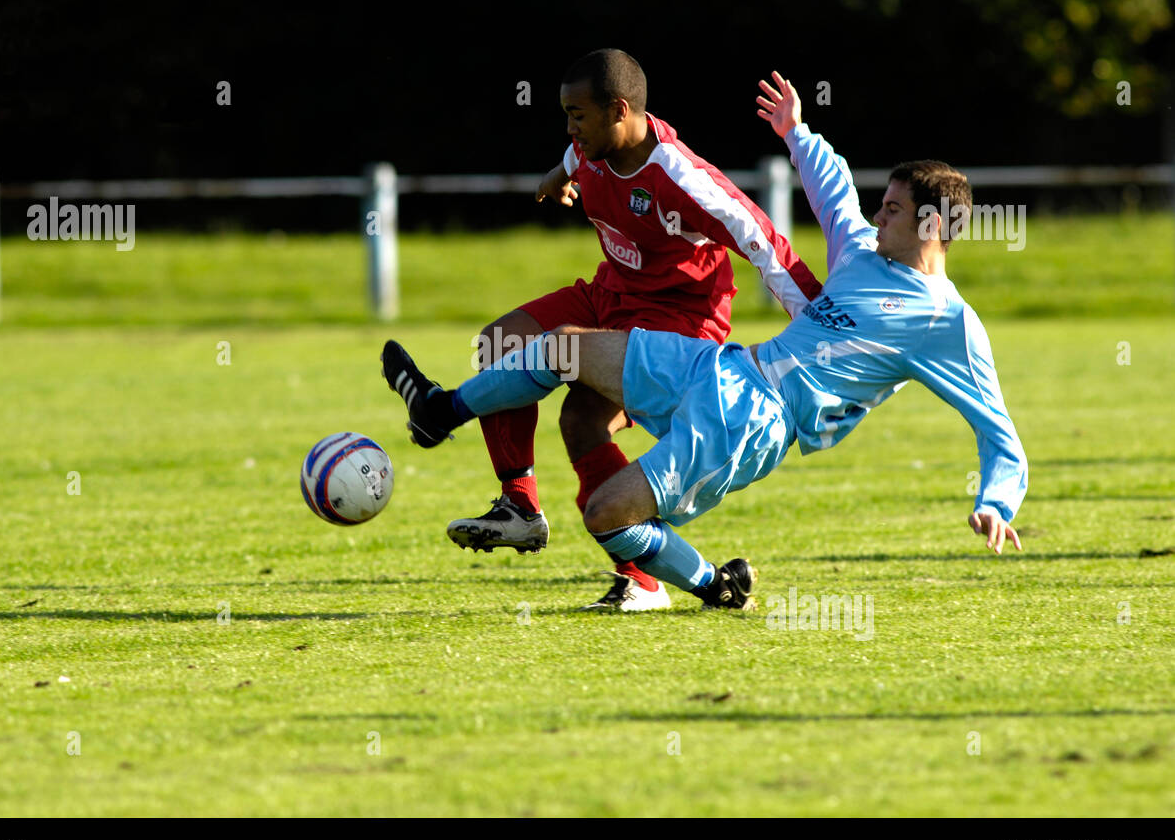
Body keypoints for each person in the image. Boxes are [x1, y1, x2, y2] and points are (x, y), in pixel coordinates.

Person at [382, 71, 1028, 609]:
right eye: (881, 203)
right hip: (721, 366)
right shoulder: (863, 250)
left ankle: (710, 584)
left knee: (607, 515)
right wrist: (796, 130)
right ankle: (441, 411)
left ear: (932, 225)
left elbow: (998, 431)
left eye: (890, 208)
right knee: (563, 347)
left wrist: (995, 501)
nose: (875, 214)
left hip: (754, 423)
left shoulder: (948, 323)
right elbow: (831, 187)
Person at [443, 48, 822, 612]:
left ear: (620, 111)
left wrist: (821, 330)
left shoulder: (682, 179)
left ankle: (642, 581)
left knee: (580, 419)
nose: (570, 127)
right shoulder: (591, 147)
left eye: (578, 114)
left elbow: (765, 242)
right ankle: (519, 507)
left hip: (677, 322)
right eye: (566, 115)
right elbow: (574, 159)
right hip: (610, 295)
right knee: (499, 344)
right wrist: (555, 178)